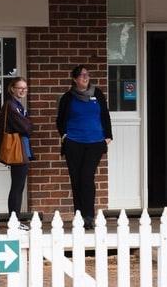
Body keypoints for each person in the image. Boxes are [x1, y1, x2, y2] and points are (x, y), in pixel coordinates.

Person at [55, 65, 112, 228]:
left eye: (87, 75)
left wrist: (108, 136)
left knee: (87, 177)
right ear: (74, 79)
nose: (85, 78)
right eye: (81, 75)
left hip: (95, 142)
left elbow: (105, 115)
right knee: (76, 179)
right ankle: (78, 215)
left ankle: (89, 216)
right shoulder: (67, 97)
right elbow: (60, 120)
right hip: (74, 142)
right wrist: (64, 135)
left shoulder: (98, 94)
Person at [0, 77, 34, 229]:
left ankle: (14, 219)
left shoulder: (18, 105)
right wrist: (28, 124)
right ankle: (14, 221)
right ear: (12, 89)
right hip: (18, 149)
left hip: (22, 148)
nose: (23, 90)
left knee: (18, 185)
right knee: (17, 186)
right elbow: (27, 127)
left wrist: (28, 124)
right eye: (20, 88)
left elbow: (27, 125)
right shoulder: (11, 105)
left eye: (25, 88)